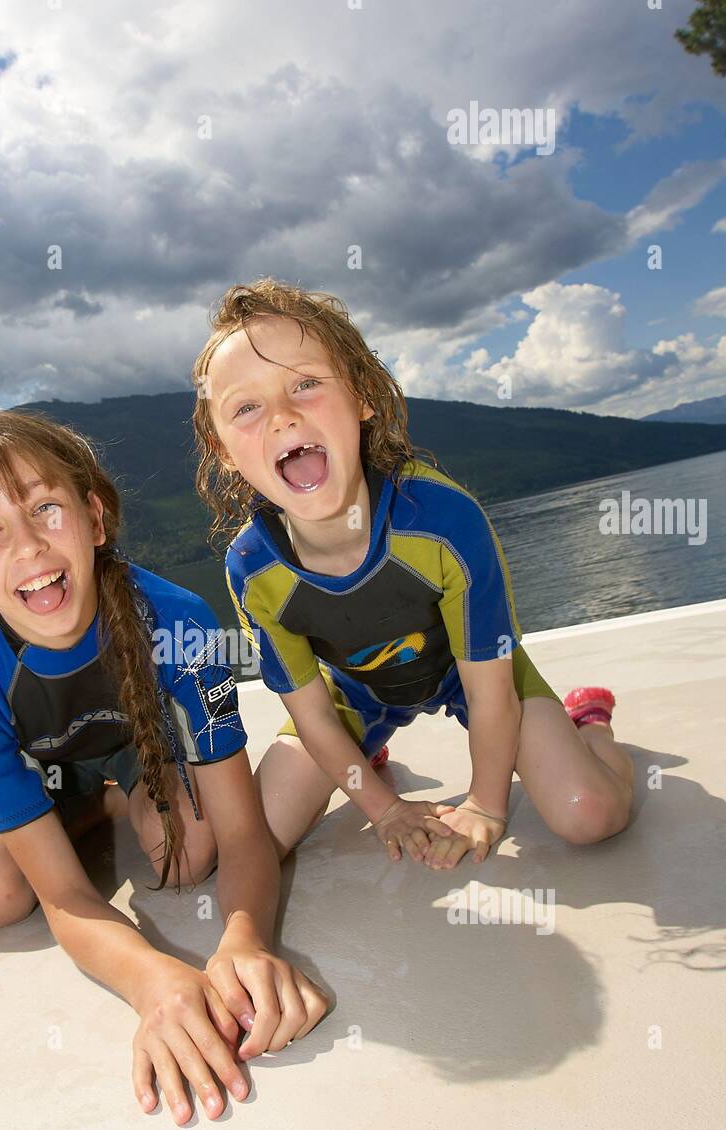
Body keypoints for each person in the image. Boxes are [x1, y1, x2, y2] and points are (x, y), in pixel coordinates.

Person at [0, 409, 329, 1125]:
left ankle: (140, 790)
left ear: (95, 518)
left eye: (46, 508)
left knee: (188, 854)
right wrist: (155, 982)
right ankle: (91, 809)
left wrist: (245, 939)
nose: (27, 546)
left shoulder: (176, 621)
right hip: (41, 780)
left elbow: (239, 834)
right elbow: (67, 901)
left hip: (136, 750)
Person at [189, 278, 634, 870]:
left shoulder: (443, 520)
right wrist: (384, 808)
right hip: (355, 695)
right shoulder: (252, 568)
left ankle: (592, 729)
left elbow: (487, 687)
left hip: (476, 676)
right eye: (246, 407)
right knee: (250, 843)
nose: (282, 417)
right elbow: (314, 714)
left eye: (306, 384)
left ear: (363, 398)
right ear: (222, 448)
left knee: (589, 813)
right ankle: (367, 754)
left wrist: (486, 803)